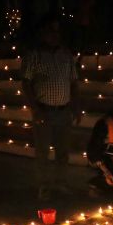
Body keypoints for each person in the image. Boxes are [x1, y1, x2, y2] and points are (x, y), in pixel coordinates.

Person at [21, 13, 82, 201]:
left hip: (63, 111)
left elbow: (74, 82)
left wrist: (75, 106)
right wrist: (35, 109)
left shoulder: (66, 55)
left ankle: (61, 184)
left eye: (57, 31)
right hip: (44, 112)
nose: (54, 35)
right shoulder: (34, 55)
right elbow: (26, 83)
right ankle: (44, 187)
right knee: (43, 153)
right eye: (50, 31)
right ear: (43, 33)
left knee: (63, 152)